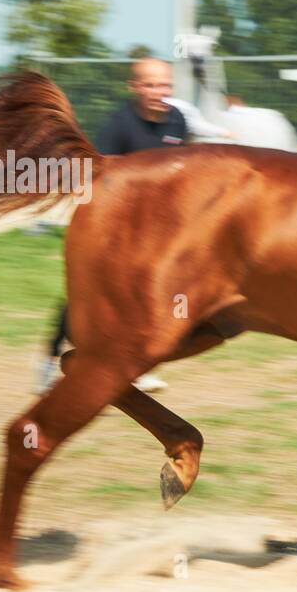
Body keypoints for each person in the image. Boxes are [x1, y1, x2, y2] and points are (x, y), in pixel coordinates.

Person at [37, 57, 188, 394]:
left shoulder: (177, 121)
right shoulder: (119, 125)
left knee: (154, 294)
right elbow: (99, 177)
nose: (158, 91)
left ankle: (139, 365)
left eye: (164, 84)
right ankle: (47, 361)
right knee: (83, 295)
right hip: (117, 223)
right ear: (134, 87)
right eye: (150, 85)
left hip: (158, 228)